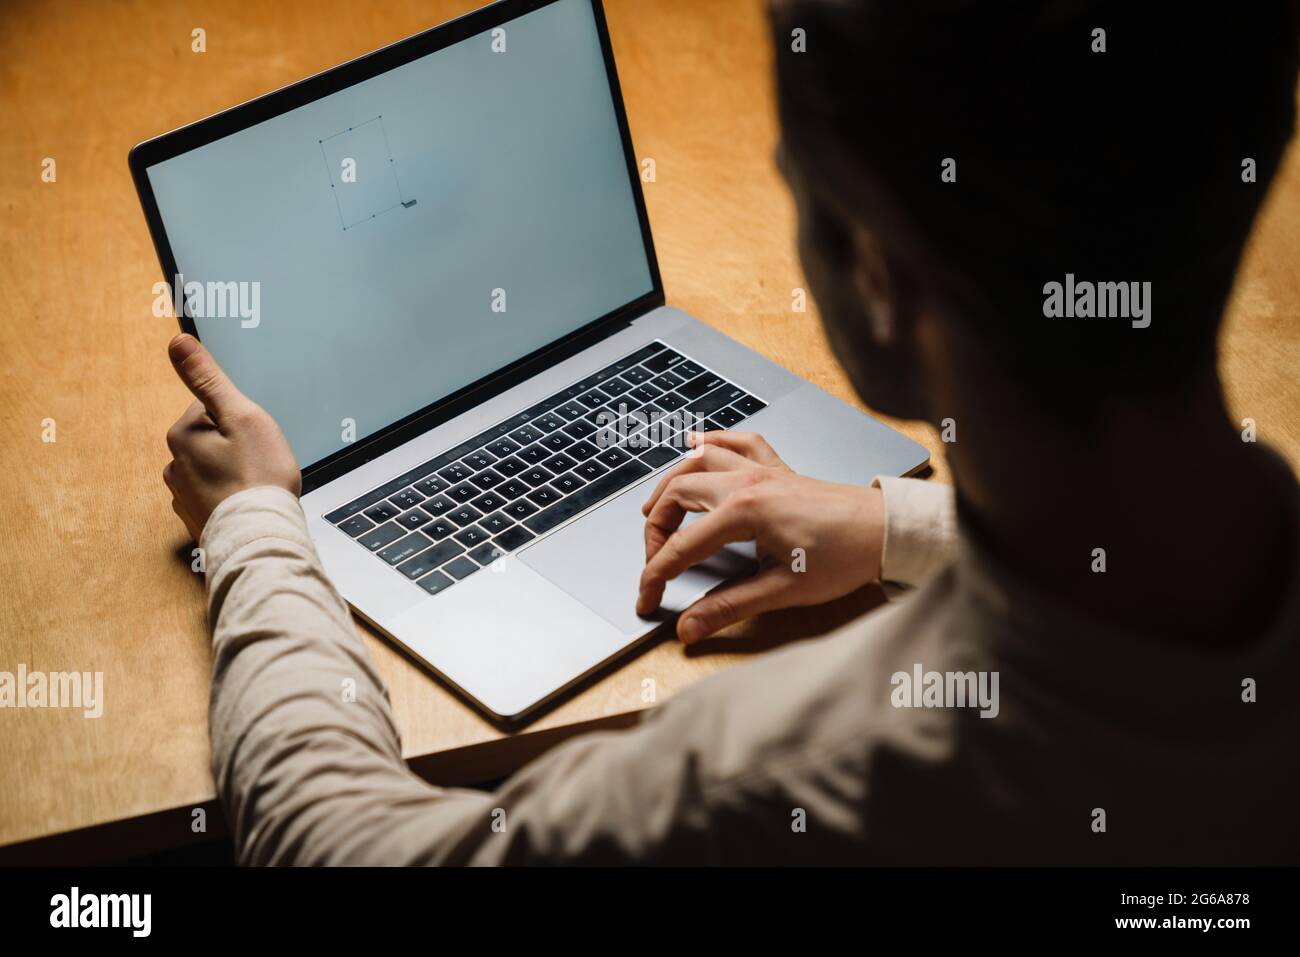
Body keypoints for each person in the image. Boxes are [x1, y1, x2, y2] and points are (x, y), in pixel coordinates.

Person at [162, 0, 1300, 864]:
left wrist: (257, 521)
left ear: (872, 282)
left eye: (798, 190)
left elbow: (333, 847)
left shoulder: (764, 782)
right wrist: (894, 524)